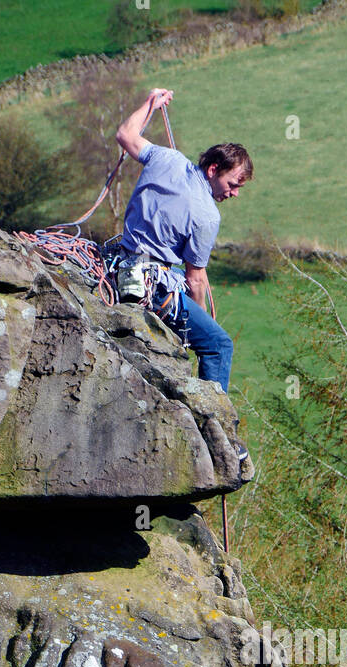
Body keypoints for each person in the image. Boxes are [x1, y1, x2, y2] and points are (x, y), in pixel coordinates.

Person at [115, 88, 253, 461]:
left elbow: (125, 135)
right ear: (214, 170)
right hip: (156, 284)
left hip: (119, 264)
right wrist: (196, 327)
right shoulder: (208, 216)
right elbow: (194, 278)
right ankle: (219, 433)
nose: (235, 194)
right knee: (219, 344)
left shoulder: (166, 158)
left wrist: (149, 103)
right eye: (233, 184)